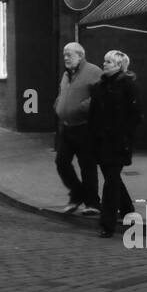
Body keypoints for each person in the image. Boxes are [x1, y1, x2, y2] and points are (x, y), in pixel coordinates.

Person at [92, 49, 141, 238]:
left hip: (119, 142)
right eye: (104, 61)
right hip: (102, 141)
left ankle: (107, 223)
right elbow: (94, 115)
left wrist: (126, 137)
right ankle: (128, 209)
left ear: (119, 65)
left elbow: (135, 114)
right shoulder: (99, 86)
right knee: (112, 177)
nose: (104, 64)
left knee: (110, 181)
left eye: (109, 62)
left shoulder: (128, 85)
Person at [53, 42, 103, 216]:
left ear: (80, 55)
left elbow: (99, 97)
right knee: (61, 162)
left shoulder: (94, 72)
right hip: (67, 127)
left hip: (85, 127)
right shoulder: (66, 75)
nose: (65, 58)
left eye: (69, 54)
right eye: (64, 54)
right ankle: (77, 193)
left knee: (87, 166)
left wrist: (82, 108)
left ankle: (92, 203)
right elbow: (62, 94)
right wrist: (59, 105)